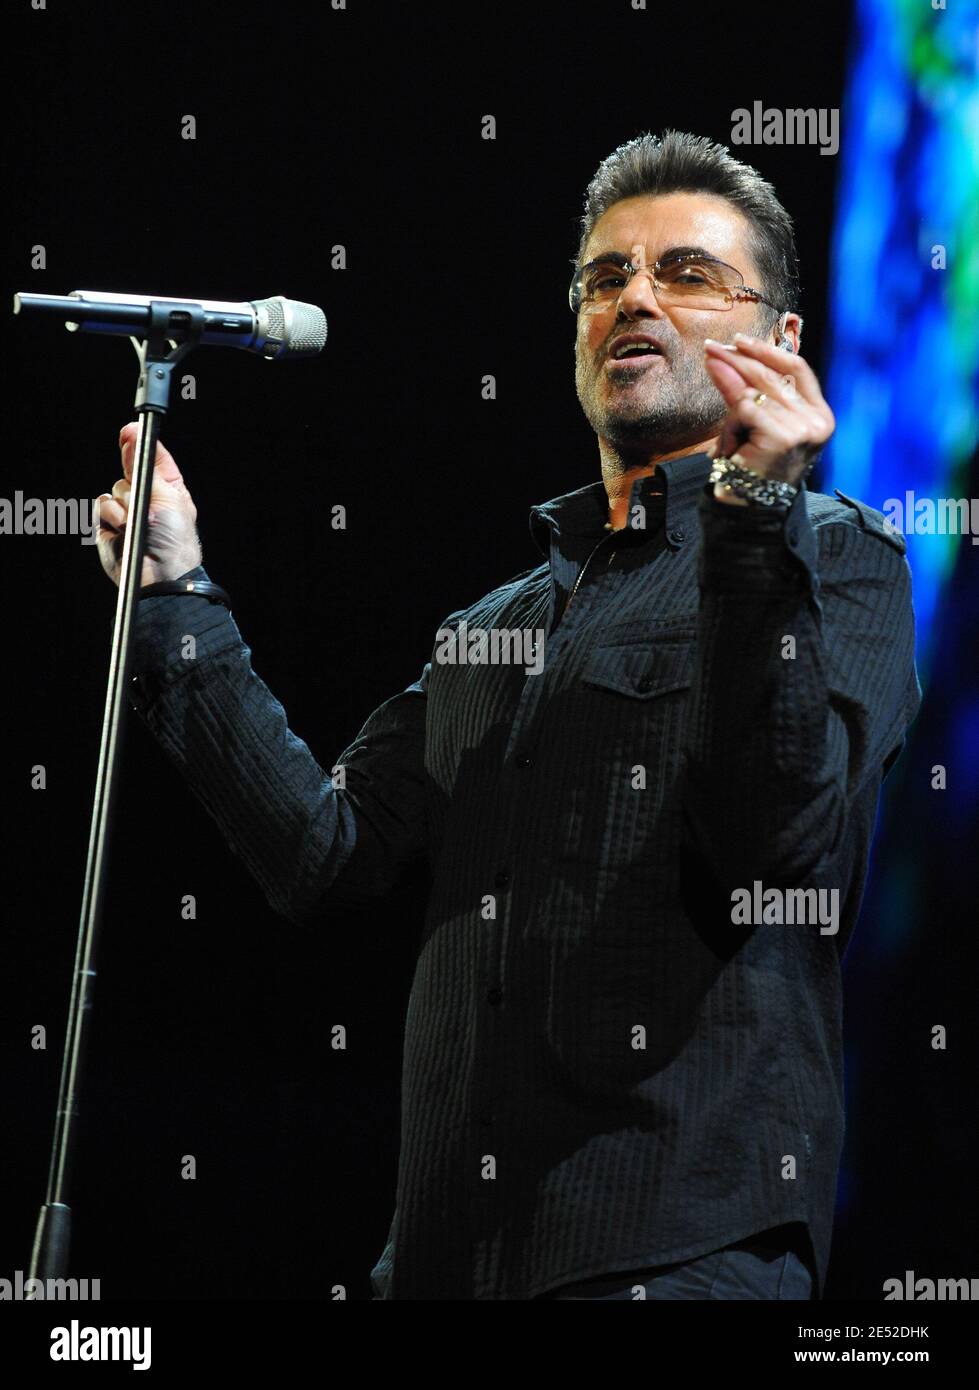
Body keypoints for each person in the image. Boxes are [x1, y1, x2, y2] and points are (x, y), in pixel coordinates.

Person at [94, 130, 921, 1300]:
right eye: (604, 277)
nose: (634, 295)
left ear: (780, 342)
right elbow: (321, 857)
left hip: (673, 1255)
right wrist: (179, 599)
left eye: (686, 273)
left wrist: (748, 513)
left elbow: (767, 848)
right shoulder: (501, 620)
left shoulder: (834, 557)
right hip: (444, 1266)